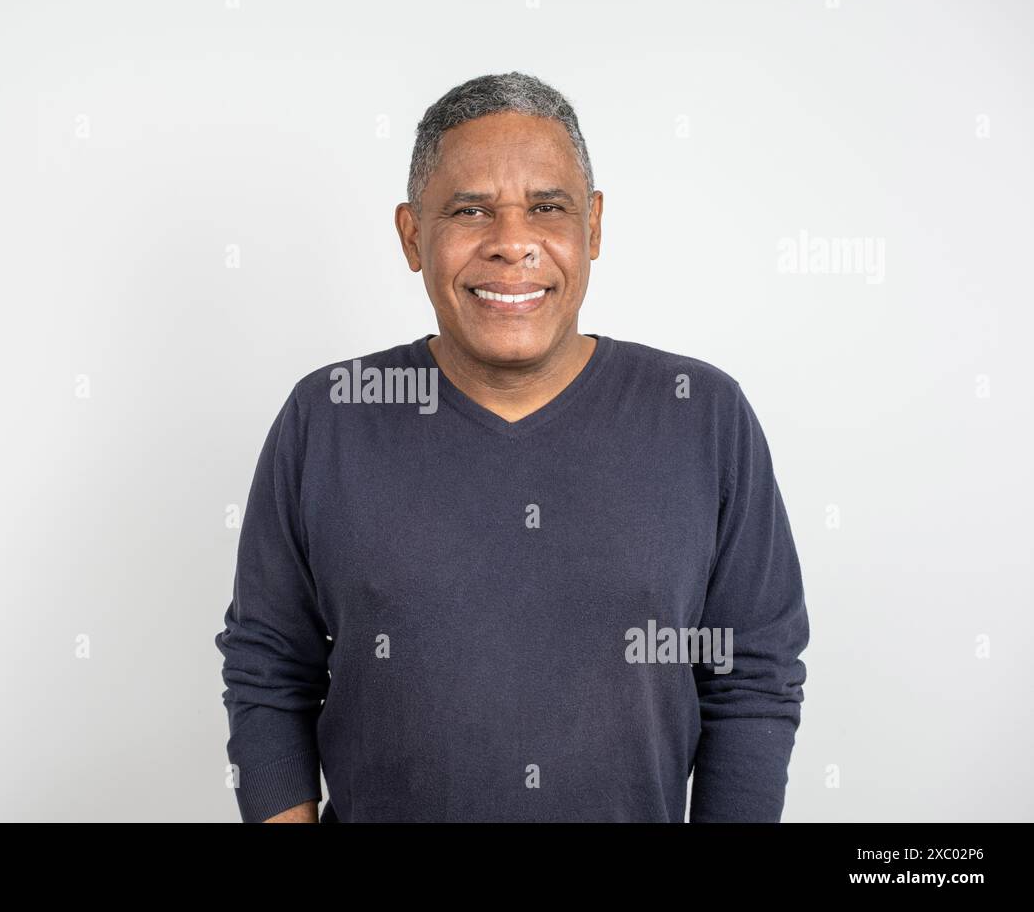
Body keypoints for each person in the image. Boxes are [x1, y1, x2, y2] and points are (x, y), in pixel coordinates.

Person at [214, 71, 809, 823]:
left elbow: (751, 675)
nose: (512, 244)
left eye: (546, 208)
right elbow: (268, 665)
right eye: (471, 211)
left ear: (592, 226)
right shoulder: (327, 417)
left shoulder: (701, 416)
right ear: (411, 235)